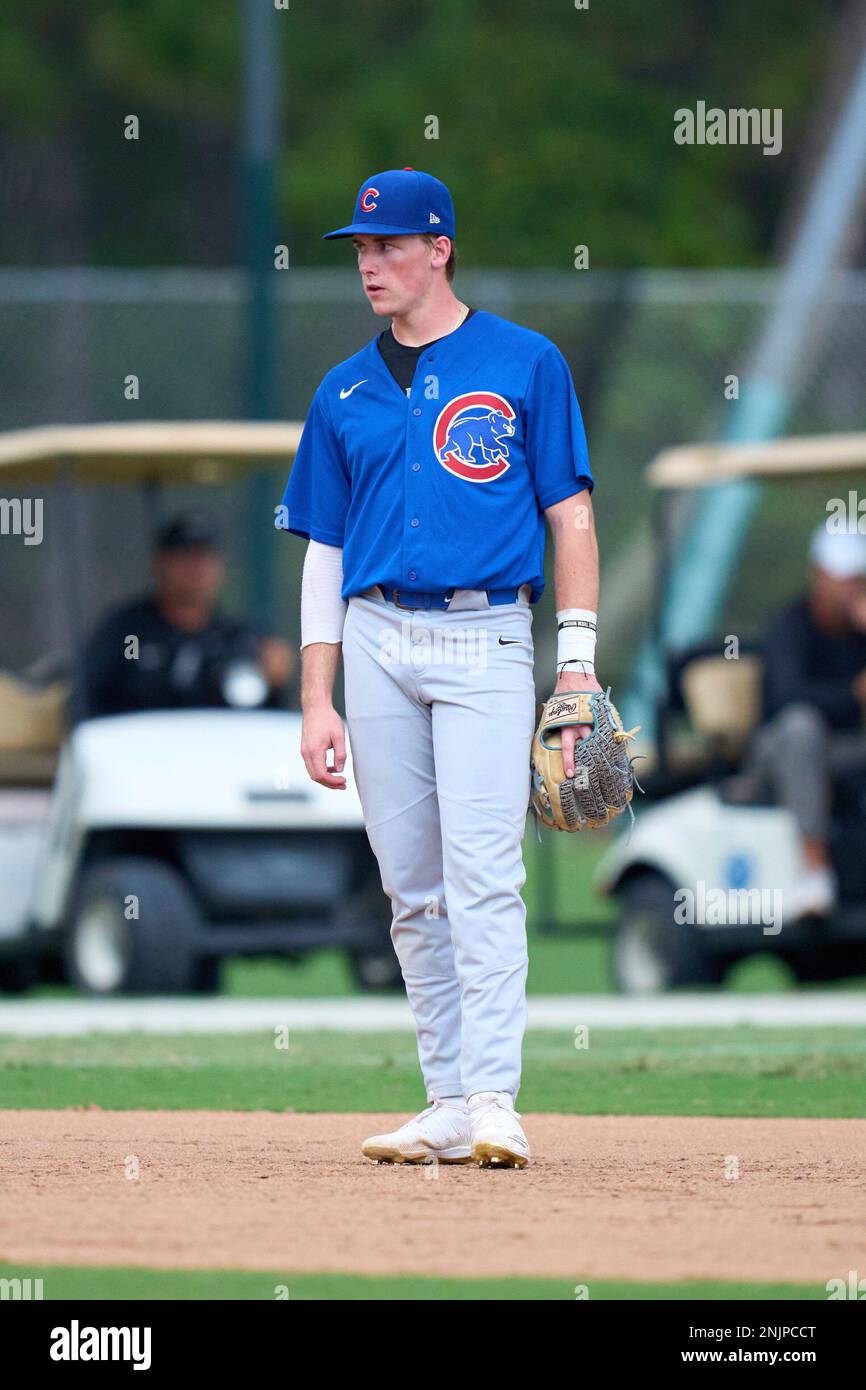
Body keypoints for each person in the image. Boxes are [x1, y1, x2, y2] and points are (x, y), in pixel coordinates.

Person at [276, 168, 602, 1168]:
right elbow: (323, 551)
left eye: (386, 246)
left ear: (438, 249)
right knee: (410, 885)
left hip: (486, 633)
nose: (368, 264)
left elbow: (570, 517)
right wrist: (315, 694)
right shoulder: (342, 389)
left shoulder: (522, 362)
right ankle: (447, 1098)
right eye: (360, 249)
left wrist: (576, 667)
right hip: (373, 638)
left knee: (481, 875)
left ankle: (495, 1098)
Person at [77, 512, 294, 719]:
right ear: (161, 562)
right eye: (185, 557)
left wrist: (276, 677)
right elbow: (87, 704)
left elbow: (268, 713)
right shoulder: (126, 633)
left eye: (204, 558)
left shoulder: (239, 639)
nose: (196, 569)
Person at [752, 526, 866, 918]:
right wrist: (853, 694)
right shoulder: (789, 627)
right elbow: (787, 698)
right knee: (802, 727)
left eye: (857, 580)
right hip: (777, 755)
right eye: (843, 579)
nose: (851, 589)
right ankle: (814, 870)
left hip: (843, 750)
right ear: (819, 575)